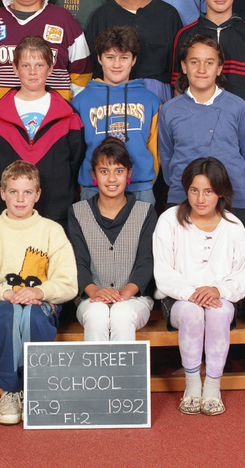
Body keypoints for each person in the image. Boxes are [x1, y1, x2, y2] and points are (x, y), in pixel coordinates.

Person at [0, 161, 78, 425]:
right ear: (2, 193)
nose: (20, 199)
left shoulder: (52, 231)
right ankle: (10, 389)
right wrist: (5, 293)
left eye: (27, 192)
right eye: (13, 191)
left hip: (40, 301)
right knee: (9, 315)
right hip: (2, 302)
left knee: (34, 318)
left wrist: (39, 292)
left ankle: (33, 389)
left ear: (38, 195)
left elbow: (68, 283)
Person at [152, 157, 245, 416]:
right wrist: (192, 293)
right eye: (194, 190)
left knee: (216, 312)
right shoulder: (169, 219)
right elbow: (163, 273)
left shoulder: (233, 226)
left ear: (220, 192)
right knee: (194, 313)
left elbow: (240, 279)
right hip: (179, 298)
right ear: (186, 190)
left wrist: (217, 290)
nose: (201, 199)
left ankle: (213, 387)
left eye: (208, 191)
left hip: (221, 299)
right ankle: (193, 384)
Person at [0, 36, 84, 224]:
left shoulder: (69, 114)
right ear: (15, 68)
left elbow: (75, 162)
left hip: (56, 210)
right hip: (9, 212)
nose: (33, 72)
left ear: (50, 68)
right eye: (26, 65)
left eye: (40, 65)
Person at [159, 35, 245, 227]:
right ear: (184, 66)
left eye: (209, 63)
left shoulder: (238, 106)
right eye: (194, 62)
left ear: (219, 68)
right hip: (182, 201)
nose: (201, 69)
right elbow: (167, 159)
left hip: (232, 201)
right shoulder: (169, 110)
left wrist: (239, 189)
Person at [67, 137, 158, 341]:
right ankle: (96, 374)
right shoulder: (77, 212)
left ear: (129, 174)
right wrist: (96, 293)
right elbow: (78, 263)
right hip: (90, 297)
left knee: (122, 314)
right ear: (93, 174)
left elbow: (146, 262)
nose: (111, 179)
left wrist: (123, 294)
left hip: (135, 298)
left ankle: (122, 374)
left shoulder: (146, 212)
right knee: (98, 315)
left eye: (119, 171)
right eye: (104, 171)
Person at [71, 26, 163, 202]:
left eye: (124, 57)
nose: (116, 64)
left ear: (134, 60)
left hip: (140, 188)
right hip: (93, 188)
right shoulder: (81, 102)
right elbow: (77, 152)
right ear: (99, 58)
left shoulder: (151, 101)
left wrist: (146, 179)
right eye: (110, 57)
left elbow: (155, 150)